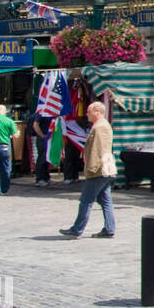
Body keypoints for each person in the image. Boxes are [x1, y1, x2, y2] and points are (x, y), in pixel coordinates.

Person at [59, 102, 116, 238]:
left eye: (89, 111)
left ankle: (77, 229)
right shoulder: (99, 125)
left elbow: (99, 150)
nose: (86, 114)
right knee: (105, 200)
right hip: (103, 170)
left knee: (86, 200)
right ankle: (109, 228)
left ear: (97, 111)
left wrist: (92, 168)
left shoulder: (100, 127)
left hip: (98, 170)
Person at [28, 109, 52, 187]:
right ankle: (40, 179)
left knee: (46, 158)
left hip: (48, 138)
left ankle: (46, 177)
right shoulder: (41, 113)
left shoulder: (49, 112)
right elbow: (35, 125)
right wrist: (42, 136)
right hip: (43, 139)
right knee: (42, 158)